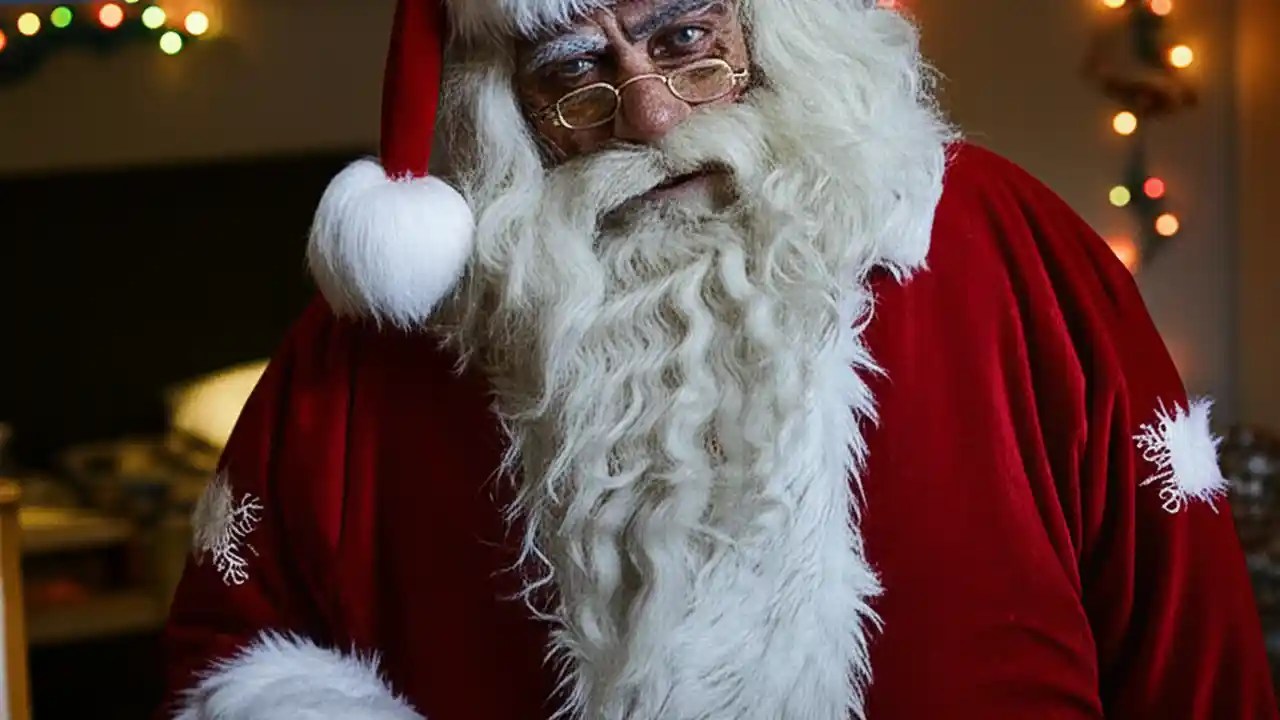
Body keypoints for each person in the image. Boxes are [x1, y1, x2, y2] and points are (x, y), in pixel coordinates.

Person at [160, 0, 1279, 718]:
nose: (647, 114)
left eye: (684, 40)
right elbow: (232, 646)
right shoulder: (377, 346)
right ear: (507, 110)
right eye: (572, 69)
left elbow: (1188, 642)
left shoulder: (1007, 248)